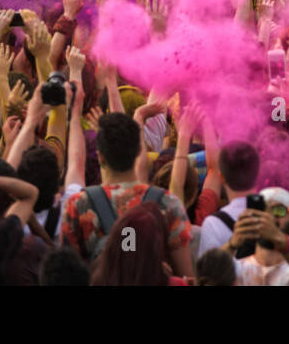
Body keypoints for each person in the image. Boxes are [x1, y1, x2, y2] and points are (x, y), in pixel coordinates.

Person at [61, 112, 194, 276]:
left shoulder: (78, 204)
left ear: (100, 157)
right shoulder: (167, 203)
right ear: (139, 151)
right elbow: (186, 276)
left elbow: (67, 274)